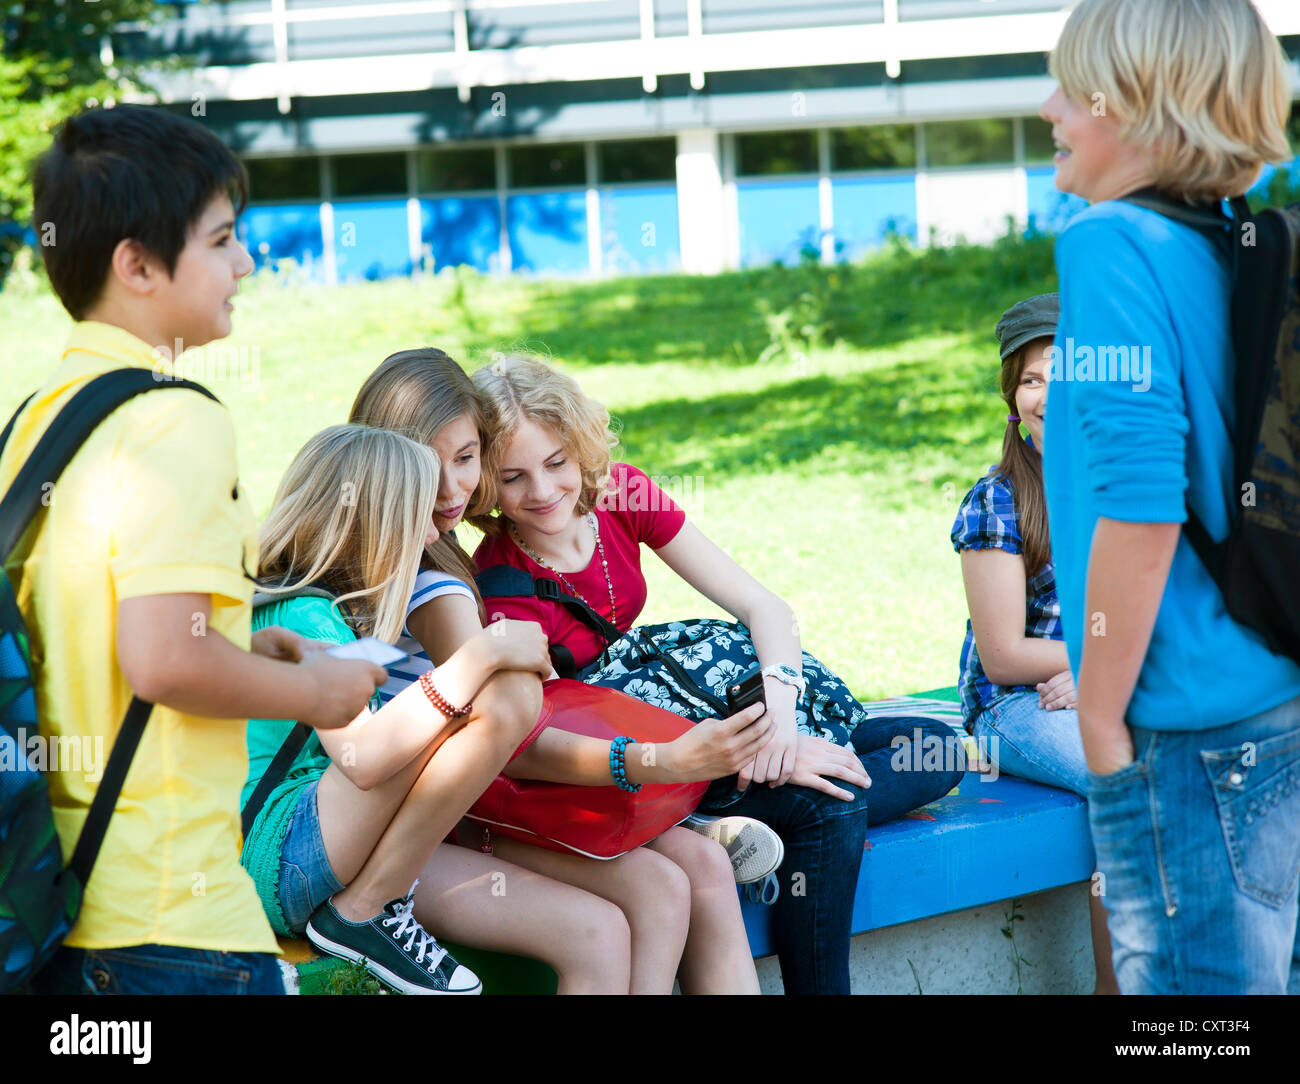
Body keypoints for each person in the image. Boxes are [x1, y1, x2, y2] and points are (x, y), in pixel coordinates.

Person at [2, 106, 385, 995]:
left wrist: (247, 646)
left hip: (58, 903)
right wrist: (317, 691)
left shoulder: (37, 422)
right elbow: (164, 661)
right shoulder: (173, 419)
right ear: (136, 264)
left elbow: (86, 637)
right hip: (173, 922)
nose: (246, 263)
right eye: (222, 240)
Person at [469, 353, 965, 995]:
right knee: (826, 808)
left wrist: (782, 731)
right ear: (485, 482)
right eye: (512, 477)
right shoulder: (501, 582)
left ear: (580, 445)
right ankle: (710, 821)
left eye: (557, 463)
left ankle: (721, 813)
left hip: (694, 724)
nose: (541, 491)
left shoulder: (622, 492)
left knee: (933, 748)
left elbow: (765, 608)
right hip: (633, 765)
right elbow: (534, 744)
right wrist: (732, 757)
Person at [348, 351, 768, 994]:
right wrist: (657, 761)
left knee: (703, 867)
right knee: (646, 897)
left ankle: (702, 822)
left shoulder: (444, 554)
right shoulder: (450, 584)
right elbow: (510, 741)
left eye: (466, 461)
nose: (451, 487)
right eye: (431, 464)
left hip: (484, 796)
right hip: (456, 815)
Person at [1040, 0, 1300, 993]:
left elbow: (1142, 504)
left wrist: (1101, 722)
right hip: (1266, 686)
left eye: (1073, 89)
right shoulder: (1227, 244)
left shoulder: (1109, 245)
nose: (1049, 107)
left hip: (1183, 728)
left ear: (1139, 108)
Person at [952, 292, 1118, 994]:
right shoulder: (996, 500)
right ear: (1011, 399)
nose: (1050, 394)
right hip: (1016, 707)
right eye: (1032, 378)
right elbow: (1006, 656)